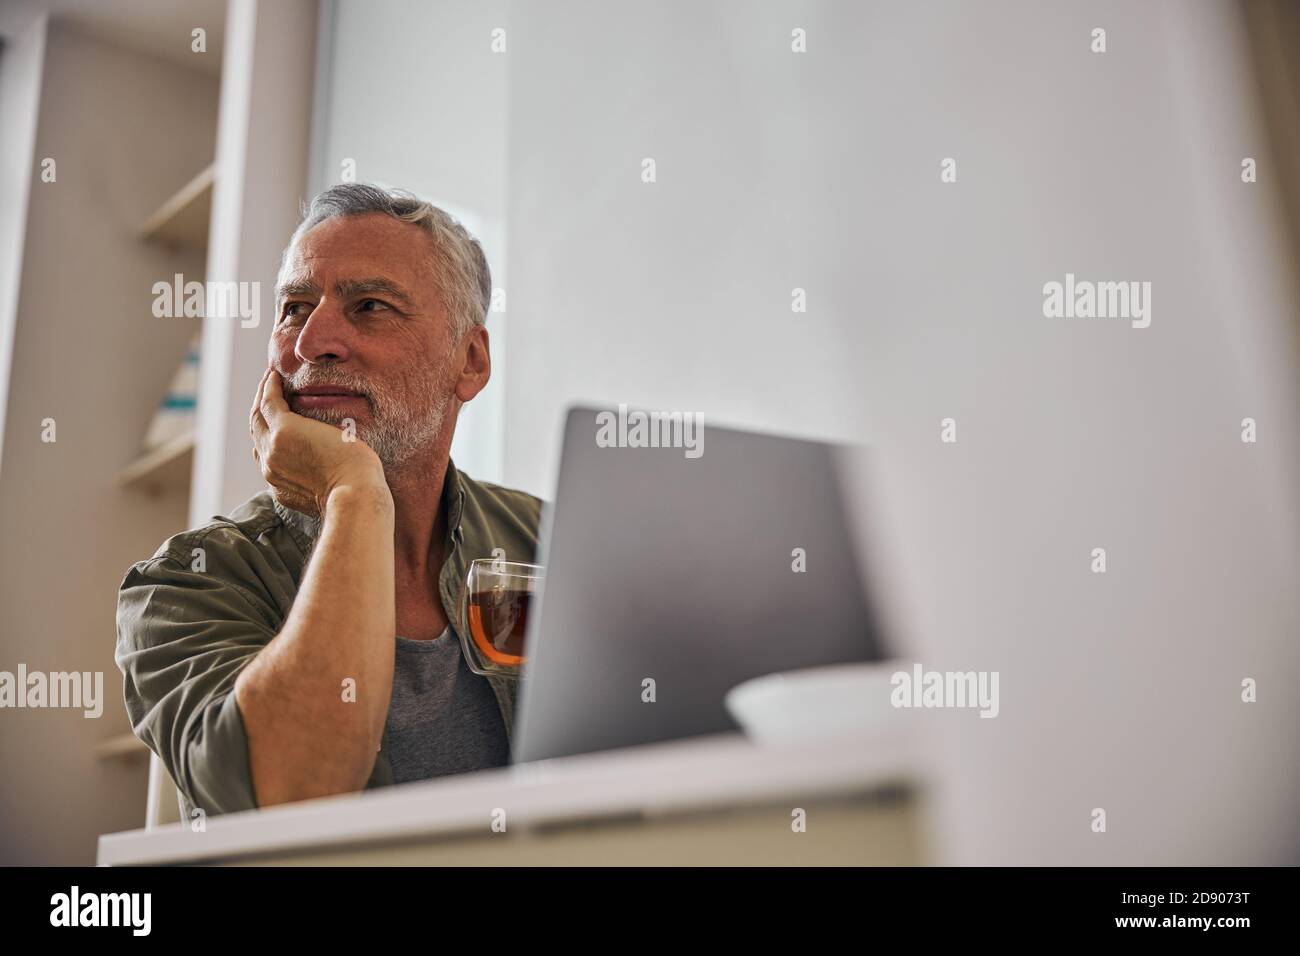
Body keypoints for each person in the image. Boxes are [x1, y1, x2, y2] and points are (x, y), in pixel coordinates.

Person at [115, 184, 540, 818]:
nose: (311, 342)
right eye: (293, 308)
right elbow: (293, 794)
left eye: (369, 305)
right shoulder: (184, 585)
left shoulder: (548, 539)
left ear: (471, 361)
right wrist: (354, 493)